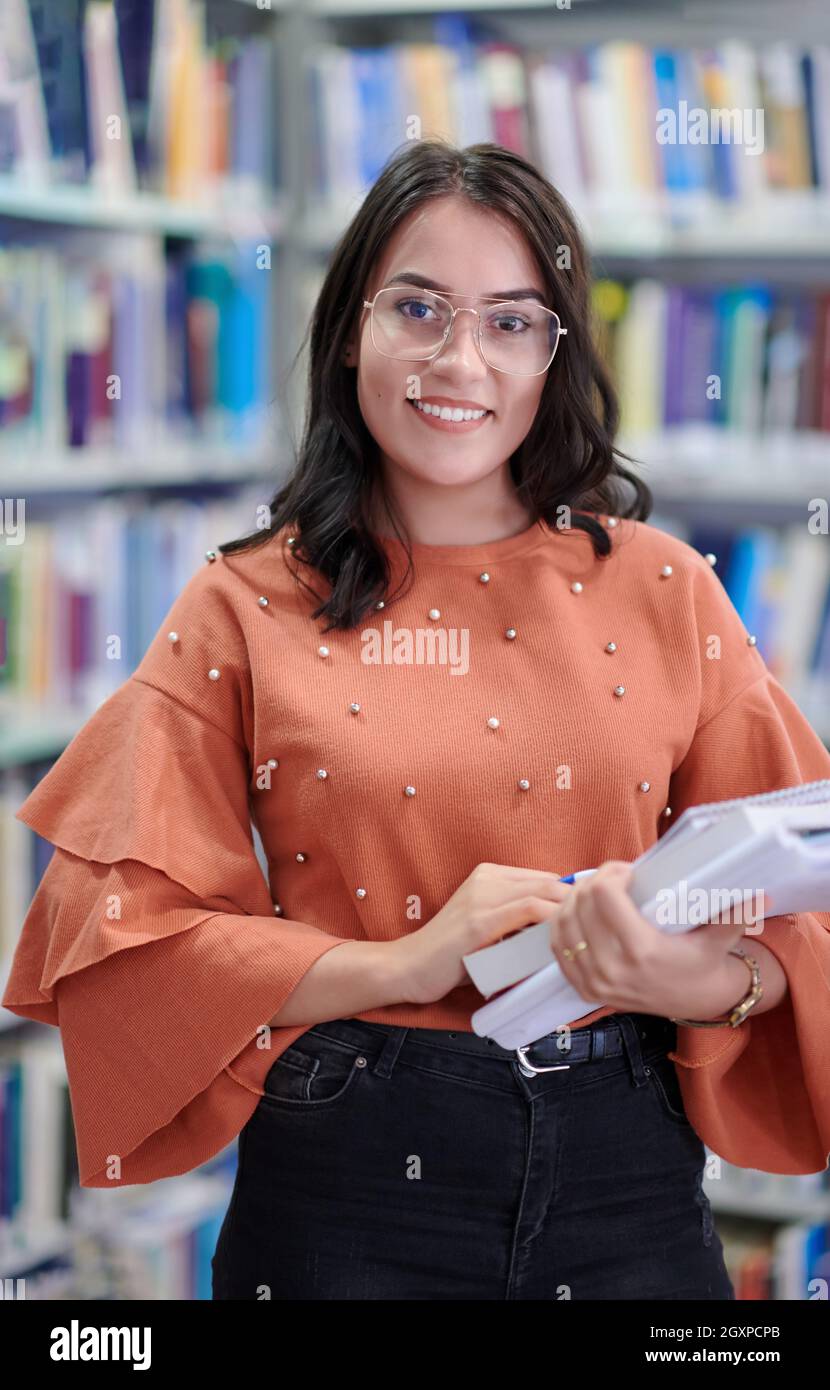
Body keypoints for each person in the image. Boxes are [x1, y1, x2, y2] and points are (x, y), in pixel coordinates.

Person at [5, 140, 830, 1302]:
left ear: (555, 354)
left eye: (510, 322)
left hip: (628, 1173)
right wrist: (407, 958)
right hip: (344, 1176)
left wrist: (684, 982)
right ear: (350, 326)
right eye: (417, 308)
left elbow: (804, 907)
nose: (459, 360)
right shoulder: (239, 601)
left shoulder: (662, 586)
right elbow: (123, 943)